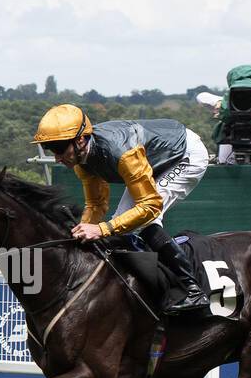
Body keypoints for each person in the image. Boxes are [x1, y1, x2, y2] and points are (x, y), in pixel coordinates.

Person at [32, 104, 211, 315]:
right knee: (121, 222)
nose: (57, 158)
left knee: (145, 220)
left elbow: (150, 206)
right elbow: (97, 204)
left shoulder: (122, 152)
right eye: (51, 149)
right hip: (154, 159)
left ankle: (192, 289)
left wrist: (102, 229)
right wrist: (82, 230)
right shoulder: (81, 160)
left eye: (60, 148)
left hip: (184, 154)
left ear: (80, 140)